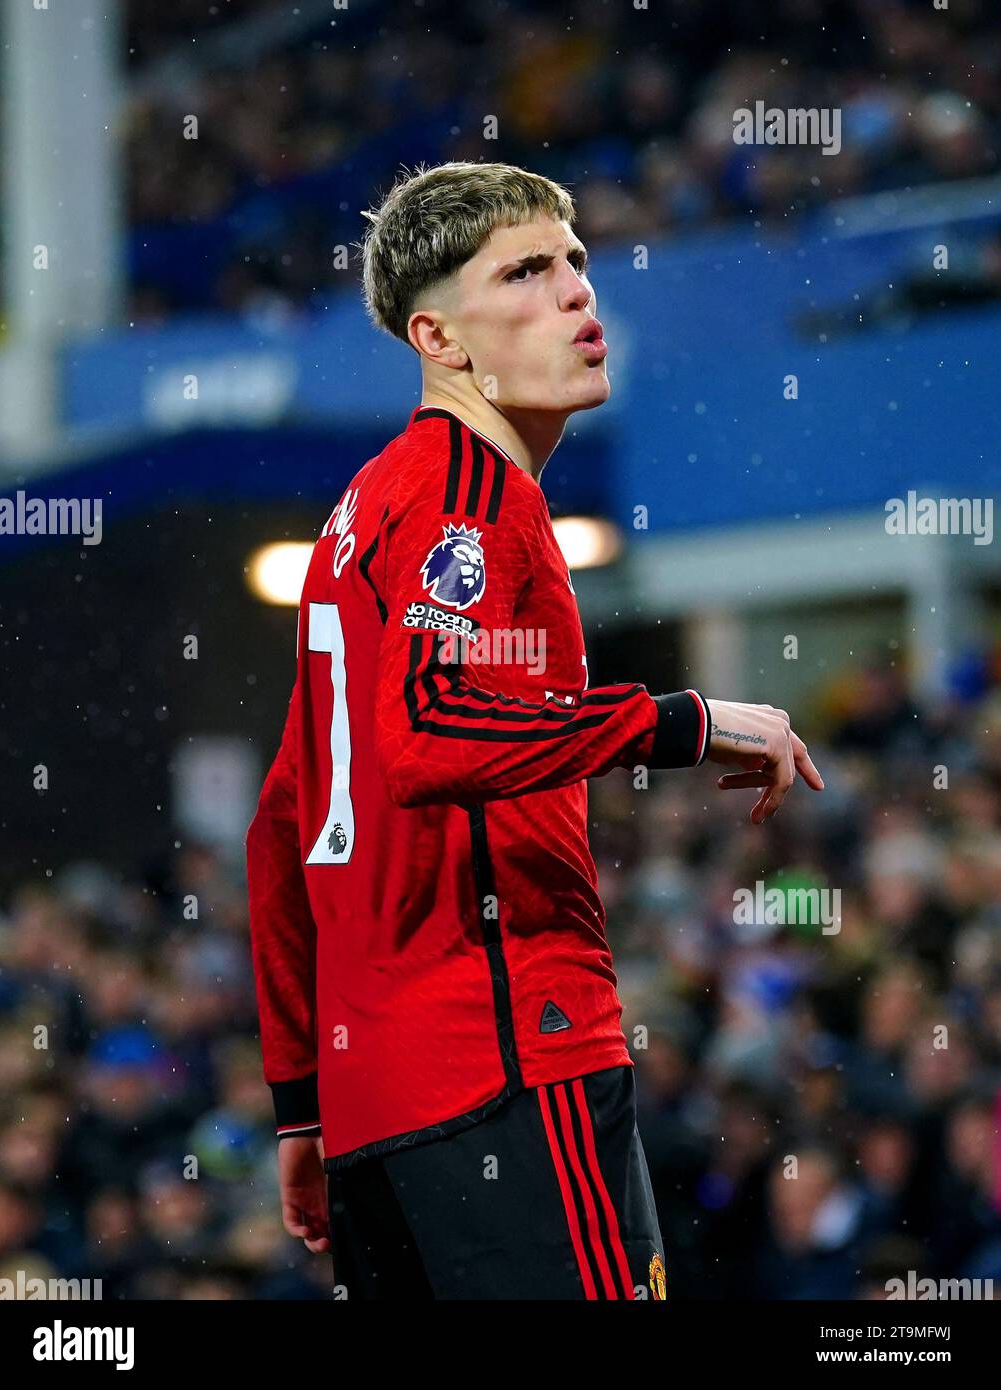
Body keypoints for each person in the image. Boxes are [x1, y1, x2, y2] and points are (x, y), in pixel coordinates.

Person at [246, 160, 823, 1300]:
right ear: (441, 338)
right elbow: (428, 733)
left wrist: (301, 1098)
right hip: (507, 1055)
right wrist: (684, 720)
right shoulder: (470, 491)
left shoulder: (359, 514)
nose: (575, 295)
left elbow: (284, 826)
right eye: (524, 272)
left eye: (575, 263)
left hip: (382, 1111)